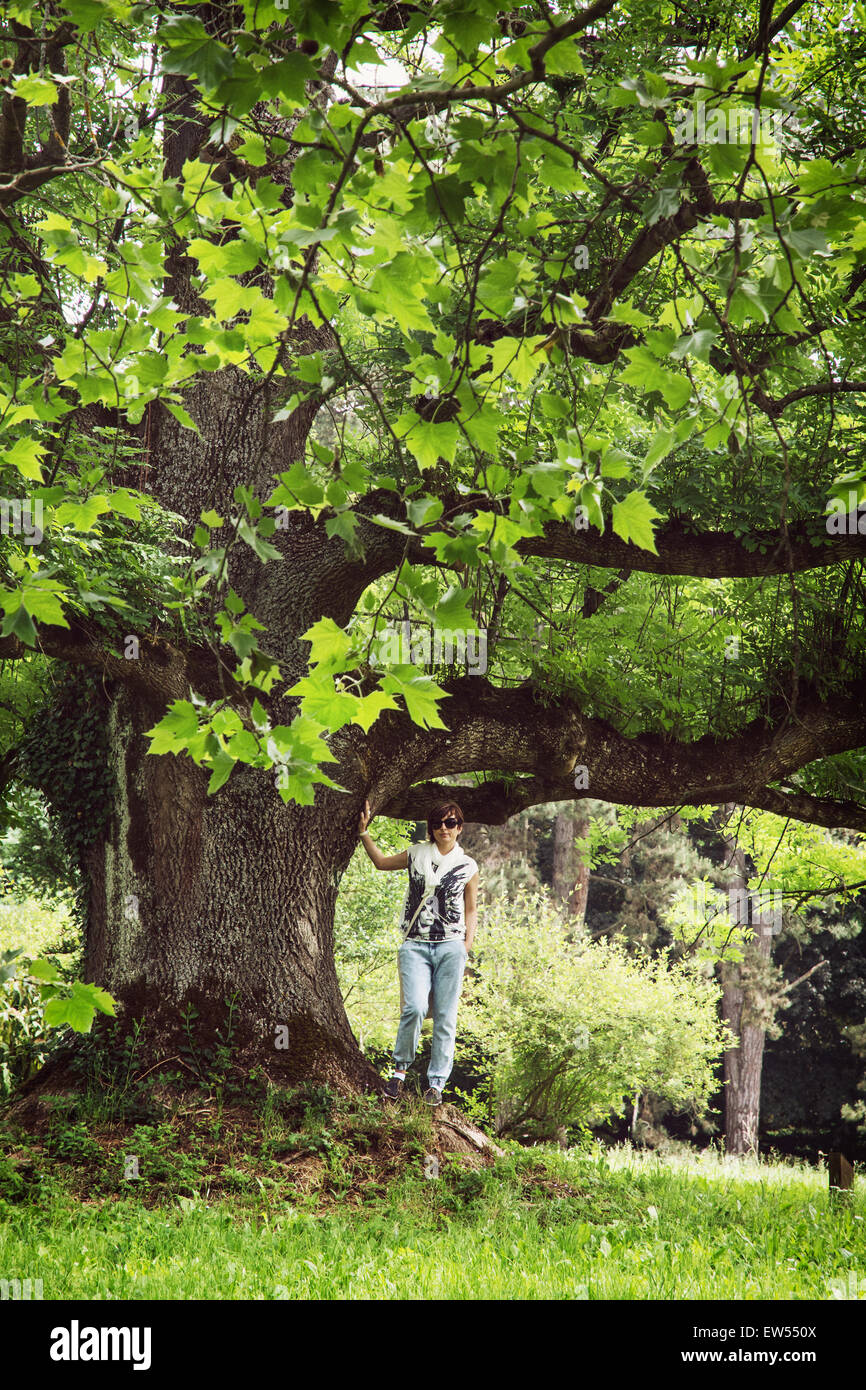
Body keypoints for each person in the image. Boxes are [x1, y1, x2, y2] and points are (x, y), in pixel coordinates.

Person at [358, 798, 479, 1107]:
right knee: (413, 1008)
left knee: (445, 1018)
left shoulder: (468, 866)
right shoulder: (416, 854)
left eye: (450, 823)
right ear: (431, 827)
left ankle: (436, 1083)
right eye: (438, 823)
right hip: (415, 943)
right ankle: (399, 1072)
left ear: (459, 827)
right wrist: (364, 834)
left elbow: (472, 910)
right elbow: (381, 863)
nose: (443, 829)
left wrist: (465, 948)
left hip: (451, 946)